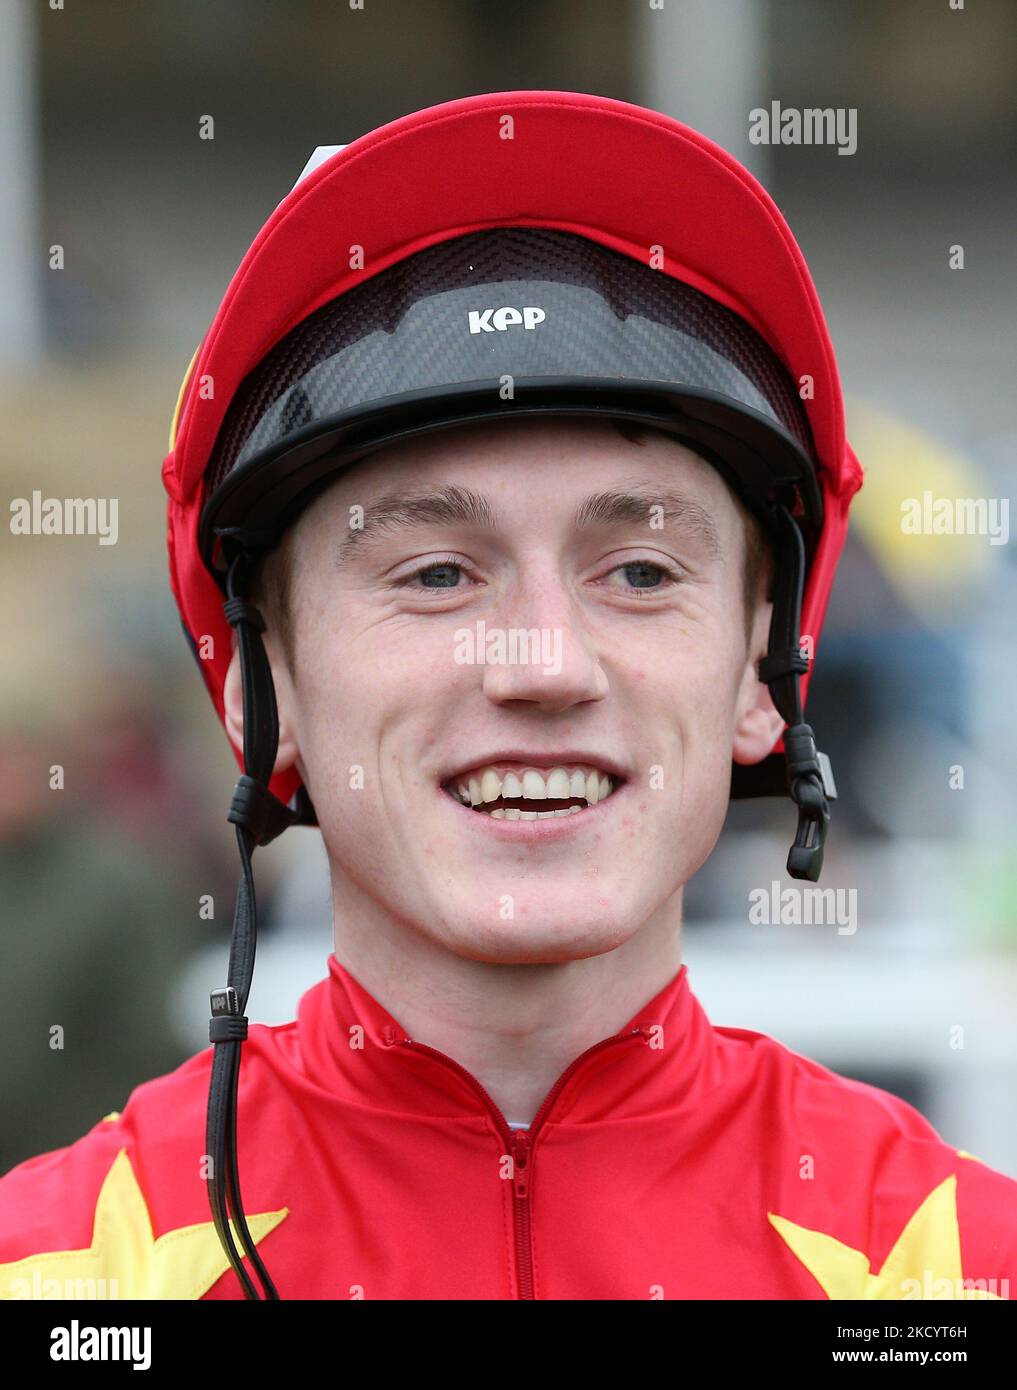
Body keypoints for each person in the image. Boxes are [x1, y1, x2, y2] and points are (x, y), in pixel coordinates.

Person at [1, 90, 1014, 1302]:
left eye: (638, 571)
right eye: (436, 573)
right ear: (262, 686)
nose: (544, 663)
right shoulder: (55, 1275)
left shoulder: (959, 1273)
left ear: (762, 675)